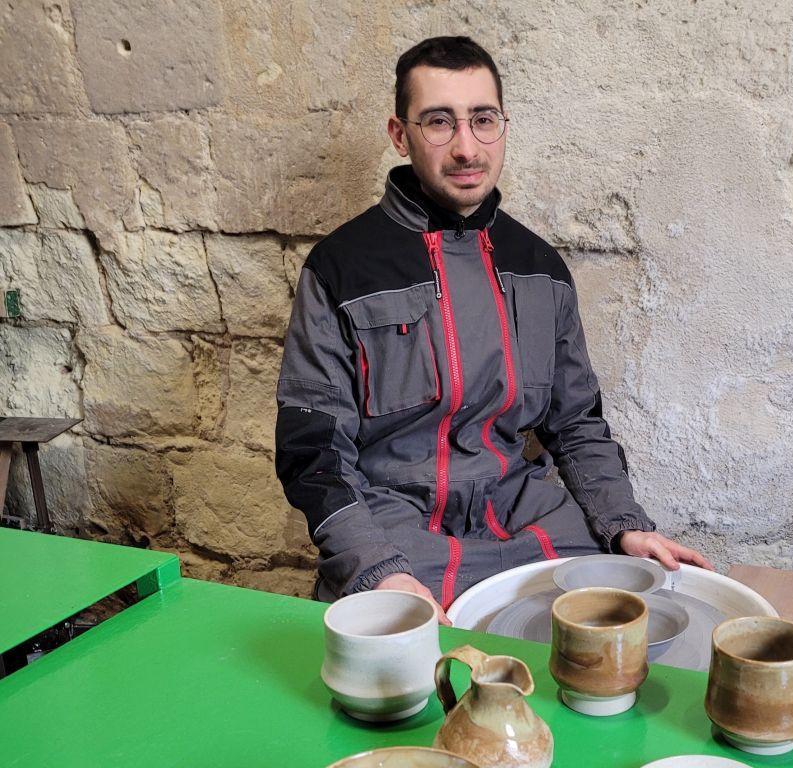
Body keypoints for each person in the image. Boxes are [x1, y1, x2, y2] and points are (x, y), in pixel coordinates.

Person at [275, 36, 712, 623]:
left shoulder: (541, 269)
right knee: (416, 677)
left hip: (522, 517)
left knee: (626, 621)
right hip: (394, 531)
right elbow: (314, 454)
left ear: (503, 126)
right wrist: (377, 569)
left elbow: (577, 424)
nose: (465, 147)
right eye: (438, 123)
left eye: (483, 120)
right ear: (399, 135)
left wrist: (624, 525)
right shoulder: (339, 269)